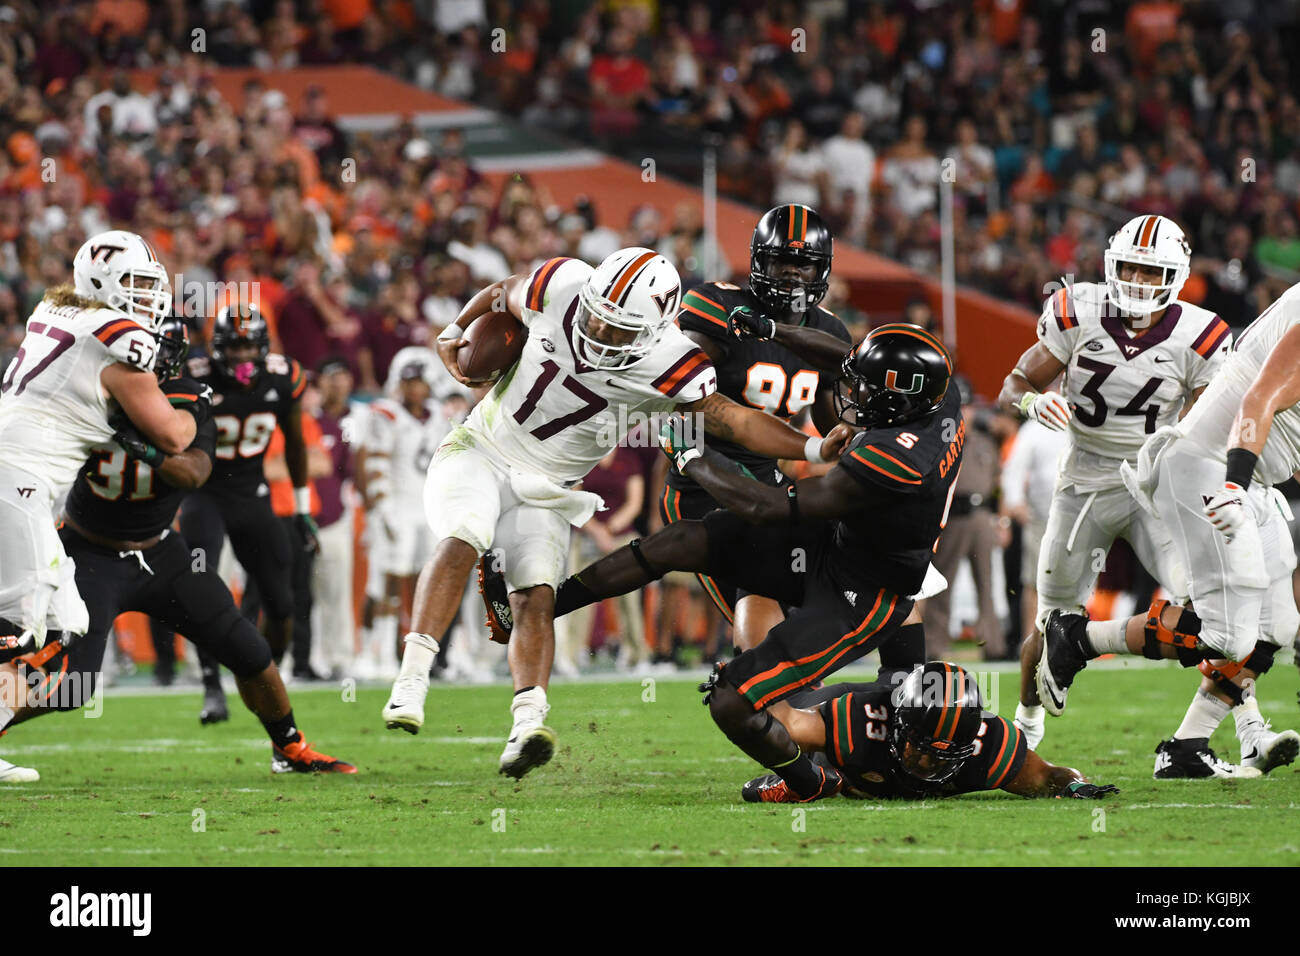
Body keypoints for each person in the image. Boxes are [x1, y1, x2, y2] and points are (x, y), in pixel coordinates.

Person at [384, 247, 850, 779]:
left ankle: (527, 725)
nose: (599, 336)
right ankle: (411, 681)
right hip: (481, 449)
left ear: (653, 332)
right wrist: (453, 330)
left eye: (617, 330)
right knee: (464, 535)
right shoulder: (561, 284)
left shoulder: (673, 364)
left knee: (536, 594)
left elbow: (735, 420)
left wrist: (810, 450)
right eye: (596, 319)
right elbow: (500, 292)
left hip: (551, 486)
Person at [485, 325, 963, 800]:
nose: (855, 393)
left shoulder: (898, 460)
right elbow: (844, 353)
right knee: (683, 540)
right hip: (841, 544)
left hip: (864, 594)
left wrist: (692, 458)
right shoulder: (942, 396)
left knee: (731, 699)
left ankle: (806, 782)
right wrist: (771, 330)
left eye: (869, 388)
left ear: (902, 400)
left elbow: (765, 507)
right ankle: (535, 611)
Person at [0, 320, 354, 780]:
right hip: (89, 554)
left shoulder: (190, 398)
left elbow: (193, 474)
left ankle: (289, 747)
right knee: (72, 682)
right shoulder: (87, 396)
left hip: (162, 552)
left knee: (250, 651)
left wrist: (142, 448)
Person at [1042, 277, 1300, 779]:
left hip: (1243, 474)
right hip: (1209, 469)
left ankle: (1186, 748)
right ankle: (1076, 638)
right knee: (1227, 633)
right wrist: (1233, 486)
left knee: (1278, 626)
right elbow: (1258, 401)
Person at [997, 215, 1229, 750]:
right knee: (1049, 615)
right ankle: (1025, 729)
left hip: (1155, 483)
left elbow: (1212, 420)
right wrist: (1033, 400)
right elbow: (1014, 382)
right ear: (1110, 264)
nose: (1139, 282)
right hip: (1084, 480)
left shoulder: (1202, 334)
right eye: (1130, 268)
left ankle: (1238, 730)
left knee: (1210, 611)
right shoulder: (1077, 310)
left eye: (1152, 273)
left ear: (1175, 276)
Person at [0, 230, 195, 783]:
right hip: (18, 480)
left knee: (70, 624)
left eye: (151, 285)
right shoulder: (121, 338)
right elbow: (174, 437)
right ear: (102, 283)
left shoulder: (59, 307)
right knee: (23, 626)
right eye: (134, 283)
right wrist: (190, 403)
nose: (148, 296)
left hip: (19, 477)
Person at [670, 204, 850, 653]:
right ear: (758, 262)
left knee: (803, 606)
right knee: (763, 606)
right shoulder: (719, 306)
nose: (791, 275)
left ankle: (762, 696)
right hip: (704, 481)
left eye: (803, 263)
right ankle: (755, 694)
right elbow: (682, 398)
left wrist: (860, 439)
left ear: (821, 269)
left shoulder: (829, 331)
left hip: (769, 483)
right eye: (780, 262)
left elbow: (832, 419)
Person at [170, 303, 319, 725]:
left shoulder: (283, 376)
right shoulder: (194, 375)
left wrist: (303, 508)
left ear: (263, 346)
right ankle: (211, 686)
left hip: (253, 495)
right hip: (204, 494)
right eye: (233, 347)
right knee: (201, 585)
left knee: (282, 601)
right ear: (217, 348)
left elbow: (294, 443)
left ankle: (264, 674)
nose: (240, 356)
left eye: (248, 347)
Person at [742, 662, 1118, 803]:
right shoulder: (858, 723)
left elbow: (1049, 775)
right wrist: (750, 683)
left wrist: (1075, 783)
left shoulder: (988, 751)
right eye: (919, 748)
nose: (925, 763)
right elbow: (781, 723)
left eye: (942, 756)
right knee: (808, 741)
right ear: (896, 727)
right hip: (836, 708)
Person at [355, 350, 453, 678]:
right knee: (386, 583)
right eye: (409, 381)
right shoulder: (387, 415)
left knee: (428, 583)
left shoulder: (440, 415)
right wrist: (382, 509)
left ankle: (420, 655)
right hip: (396, 507)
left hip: (427, 509)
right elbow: (375, 464)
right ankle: (373, 650)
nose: (414, 389)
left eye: (420, 382)